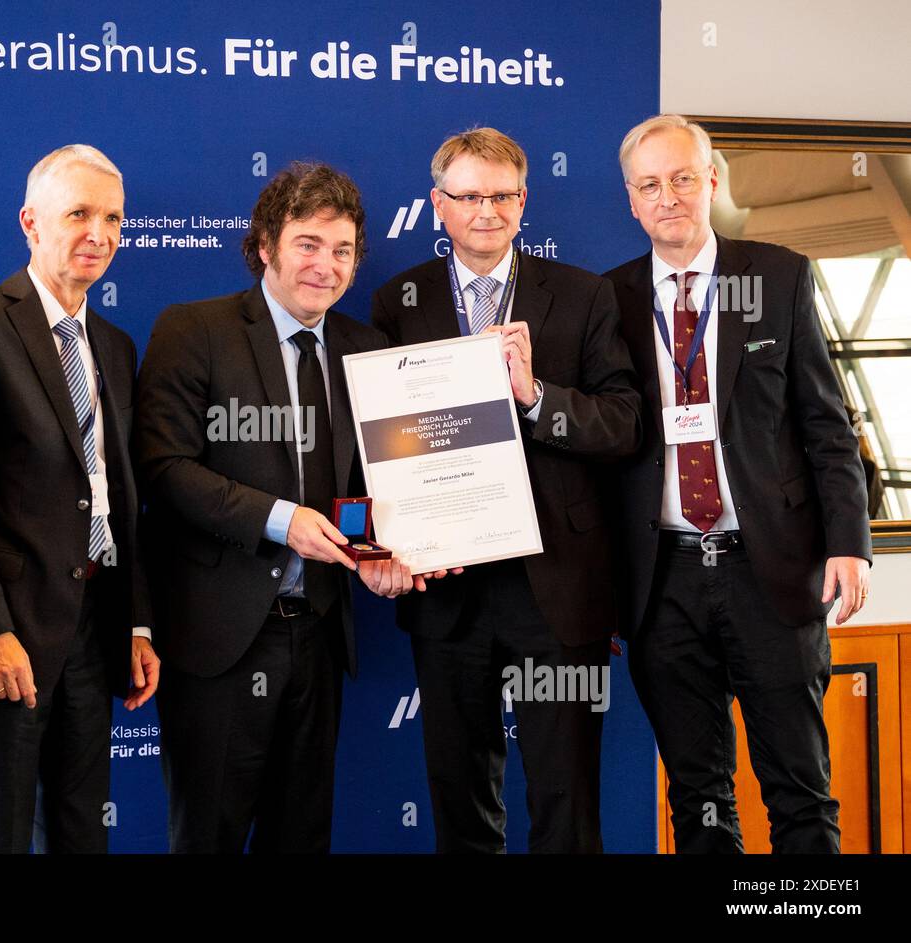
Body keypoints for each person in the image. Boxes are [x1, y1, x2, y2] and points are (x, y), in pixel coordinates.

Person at [604, 114, 872, 853]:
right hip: (663, 585)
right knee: (698, 799)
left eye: (683, 178)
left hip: (773, 573)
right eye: (650, 184)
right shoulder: (610, 300)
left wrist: (850, 543)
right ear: (631, 199)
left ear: (712, 181)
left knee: (800, 791)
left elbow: (828, 426)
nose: (669, 197)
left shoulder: (777, 276)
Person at [370, 127, 643, 853]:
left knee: (565, 795)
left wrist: (535, 396)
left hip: (558, 588)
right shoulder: (397, 301)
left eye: (500, 195)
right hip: (446, 584)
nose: (485, 210)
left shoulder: (585, 295)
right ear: (438, 205)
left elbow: (624, 424)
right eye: (467, 196)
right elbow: (372, 443)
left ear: (524, 200)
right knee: (459, 794)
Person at [136, 162, 410, 852]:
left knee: (302, 834)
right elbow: (164, 469)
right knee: (209, 833)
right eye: (309, 244)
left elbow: (359, 487)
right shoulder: (194, 329)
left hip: (318, 632)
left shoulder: (364, 348)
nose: (327, 265)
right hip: (221, 638)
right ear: (265, 244)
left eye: (343, 249)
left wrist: (372, 551)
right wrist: (279, 518)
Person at [0, 145, 158, 854]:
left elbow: (119, 496)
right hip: (8, 636)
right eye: (79, 213)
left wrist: (138, 623)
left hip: (93, 628)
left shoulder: (114, 344)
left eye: (113, 217)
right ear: (30, 222)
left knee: (81, 831)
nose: (100, 233)